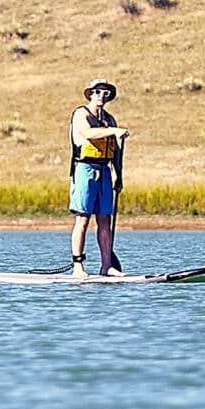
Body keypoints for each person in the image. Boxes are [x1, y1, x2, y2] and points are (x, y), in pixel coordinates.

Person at [69, 79, 130, 277]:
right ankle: (78, 266)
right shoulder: (81, 114)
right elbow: (88, 134)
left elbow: (116, 151)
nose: (101, 96)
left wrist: (118, 175)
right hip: (85, 168)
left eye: (105, 93)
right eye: (98, 92)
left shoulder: (110, 119)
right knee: (83, 218)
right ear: (90, 94)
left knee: (105, 219)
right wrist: (114, 131)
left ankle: (107, 266)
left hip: (105, 171)